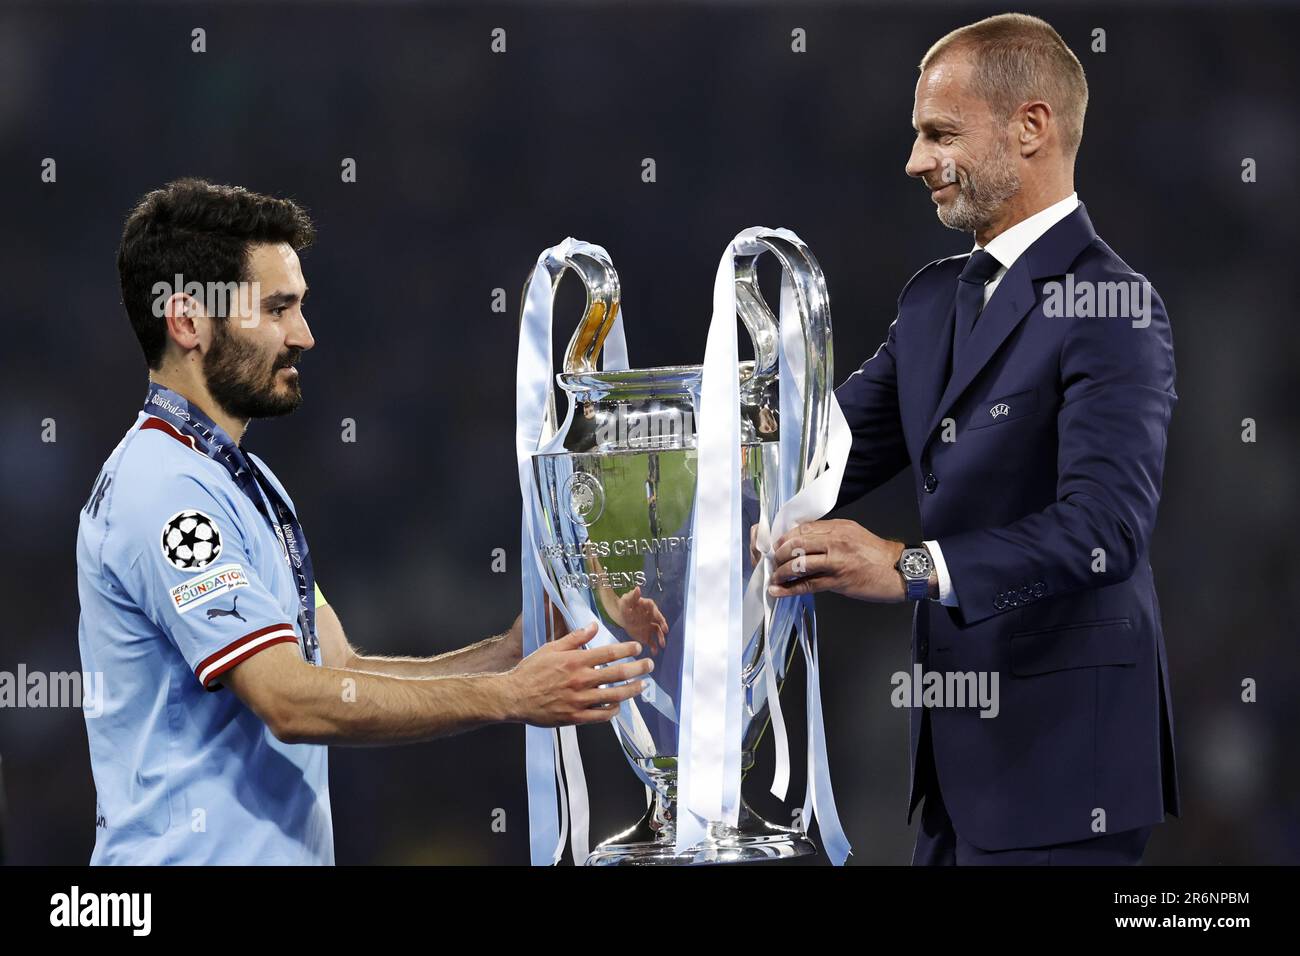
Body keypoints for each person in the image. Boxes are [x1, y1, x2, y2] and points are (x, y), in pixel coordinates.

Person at [76, 178, 652, 864]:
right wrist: (507, 696)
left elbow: (336, 668)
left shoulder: (246, 482)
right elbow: (288, 700)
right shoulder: (166, 489)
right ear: (188, 321)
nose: (305, 336)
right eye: (279, 308)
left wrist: (510, 653)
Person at [768, 14, 1179, 865]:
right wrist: (652, 439)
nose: (915, 162)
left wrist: (908, 565)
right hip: (956, 786)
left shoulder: (1114, 305)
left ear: (1031, 127)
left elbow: (1106, 529)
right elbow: (815, 456)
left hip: (1071, 778)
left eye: (939, 134)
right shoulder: (930, 302)